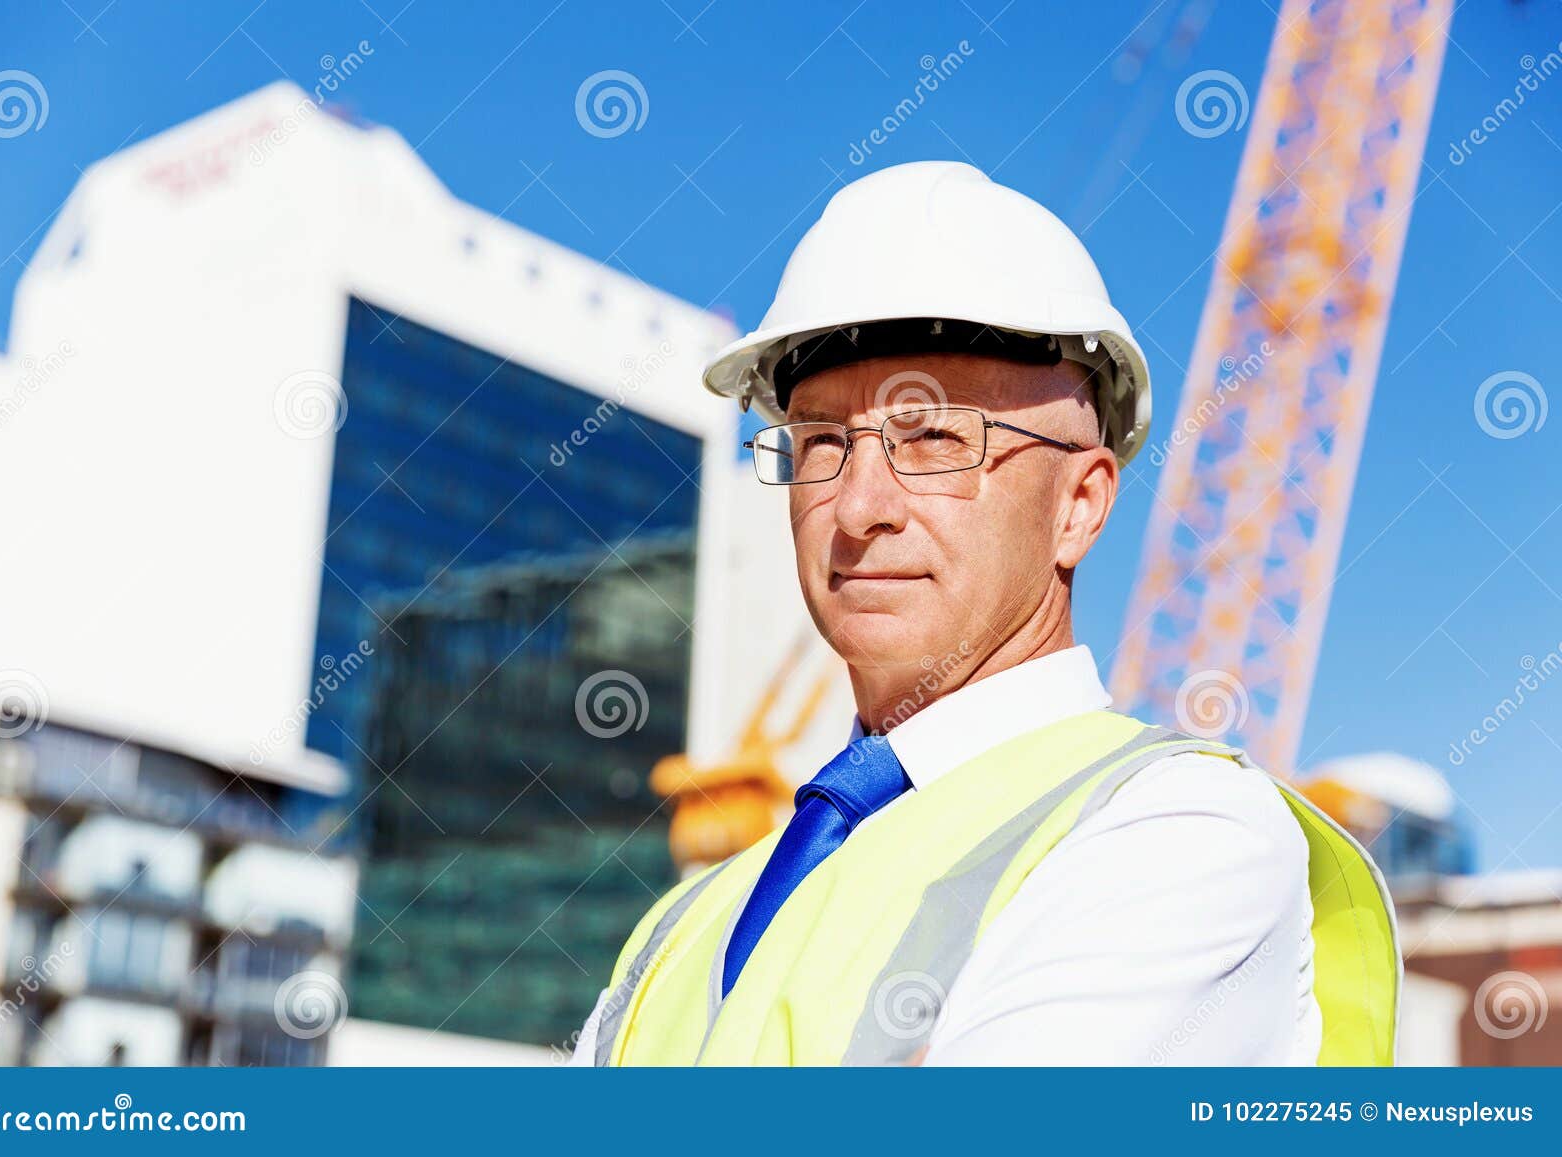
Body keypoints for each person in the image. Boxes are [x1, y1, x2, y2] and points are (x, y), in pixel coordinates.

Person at [571, 161, 1398, 1066]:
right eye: (820, 445)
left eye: (933, 439)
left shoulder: (1179, 835)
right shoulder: (689, 921)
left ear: (1077, 506)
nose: (855, 509)